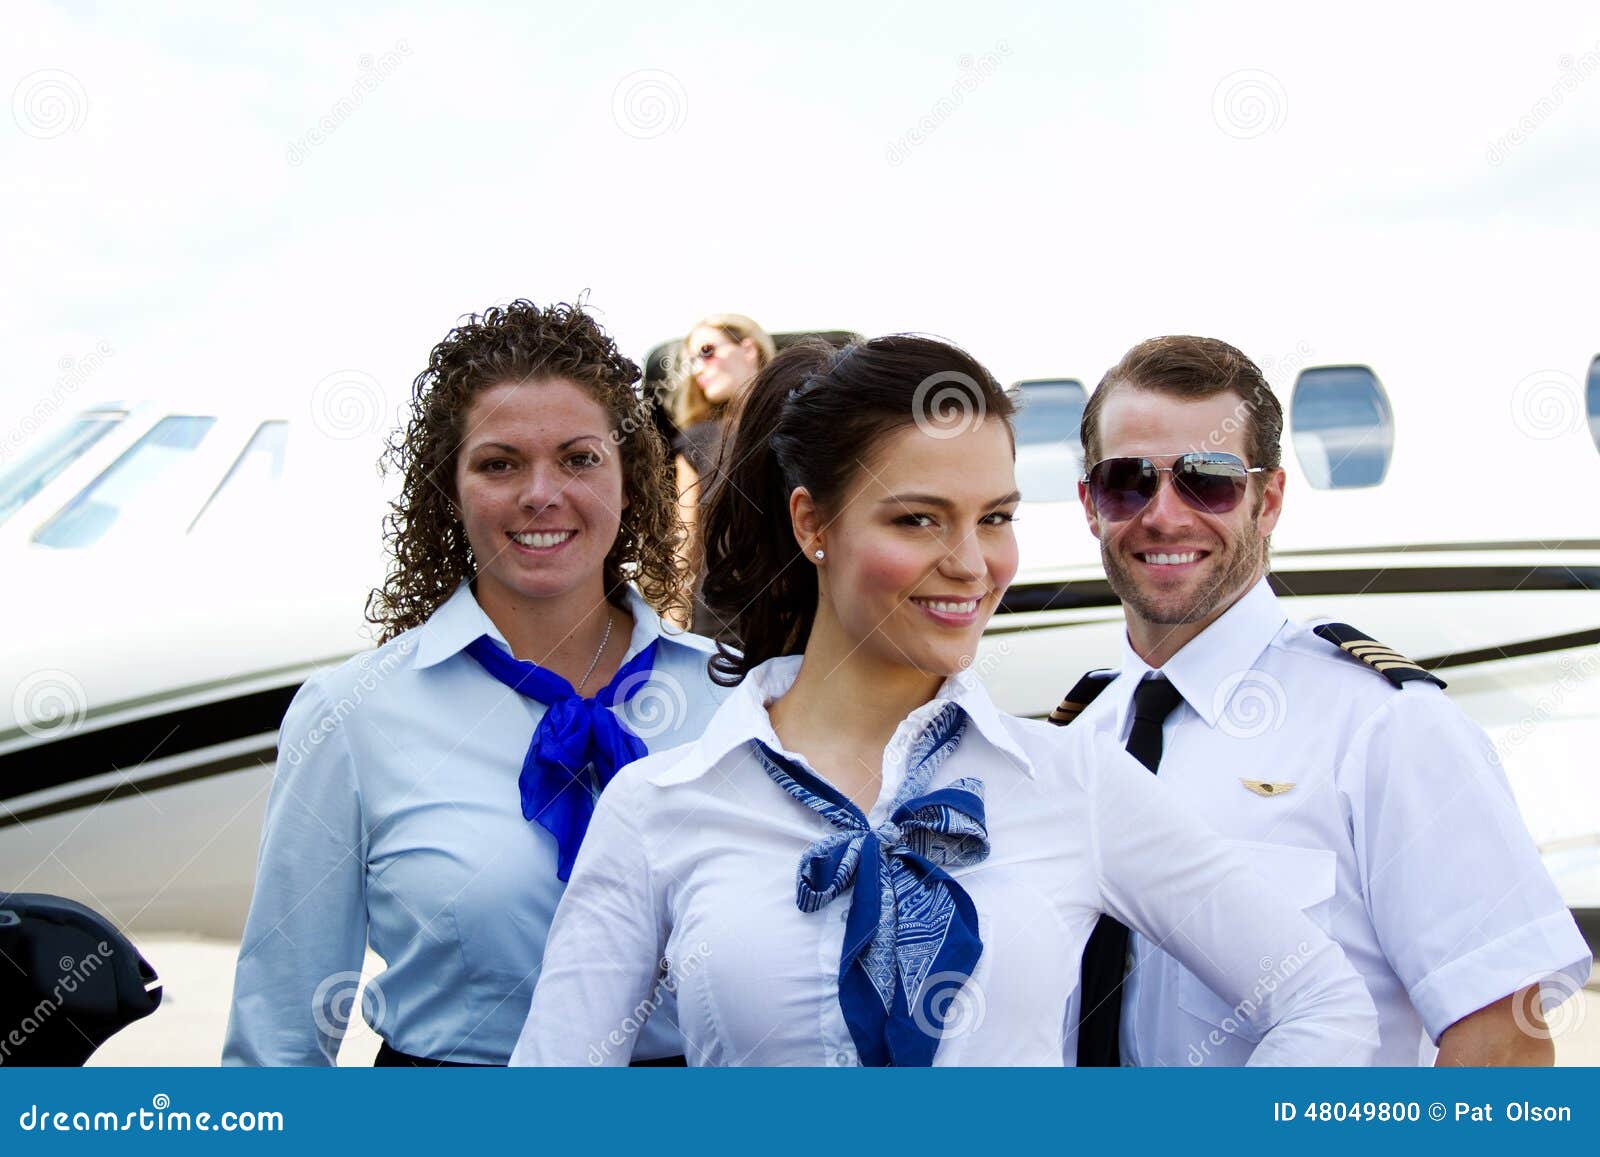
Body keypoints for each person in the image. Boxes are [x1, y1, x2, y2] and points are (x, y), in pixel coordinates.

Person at [509, 335, 1380, 1066]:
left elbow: (1322, 1000)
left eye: (995, 517)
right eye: (918, 519)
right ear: (814, 525)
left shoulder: (1071, 781)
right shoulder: (661, 808)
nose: (972, 563)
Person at [1055, 335, 1592, 1067]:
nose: (1165, 515)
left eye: (1208, 480)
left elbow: (1501, 1045)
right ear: (1090, 504)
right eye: (1128, 481)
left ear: (1267, 499)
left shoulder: (1384, 726)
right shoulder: (1073, 742)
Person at [223, 299, 728, 1066]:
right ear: (450, 491)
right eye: (499, 463)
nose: (540, 493)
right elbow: (281, 1032)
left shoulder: (731, 700)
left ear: (631, 481)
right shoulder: (352, 715)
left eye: (579, 458)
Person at [668, 313, 776, 633]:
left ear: (748, 349)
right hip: (720, 628)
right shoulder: (697, 441)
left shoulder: (804, 425)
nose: (699, 368)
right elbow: (686, 543)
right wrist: (671, 628)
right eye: (691, 362)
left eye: (706, 351)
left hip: (801, 624)